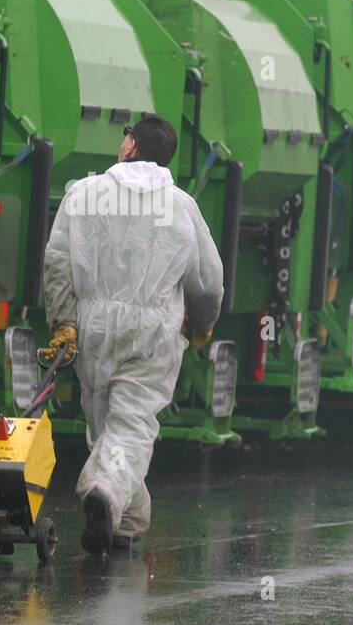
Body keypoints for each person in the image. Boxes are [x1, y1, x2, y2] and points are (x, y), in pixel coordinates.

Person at [42, 114, 224, 554]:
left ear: (129, 147)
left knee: (107, 426)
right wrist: (202, 322)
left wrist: (64, 321)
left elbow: (57, 262)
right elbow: (208, 280)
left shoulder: (81, 194)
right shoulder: (181, 205)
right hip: (153, 332)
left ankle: (124, 520)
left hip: (94, 328)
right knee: (130, 426)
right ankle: (105, 492)